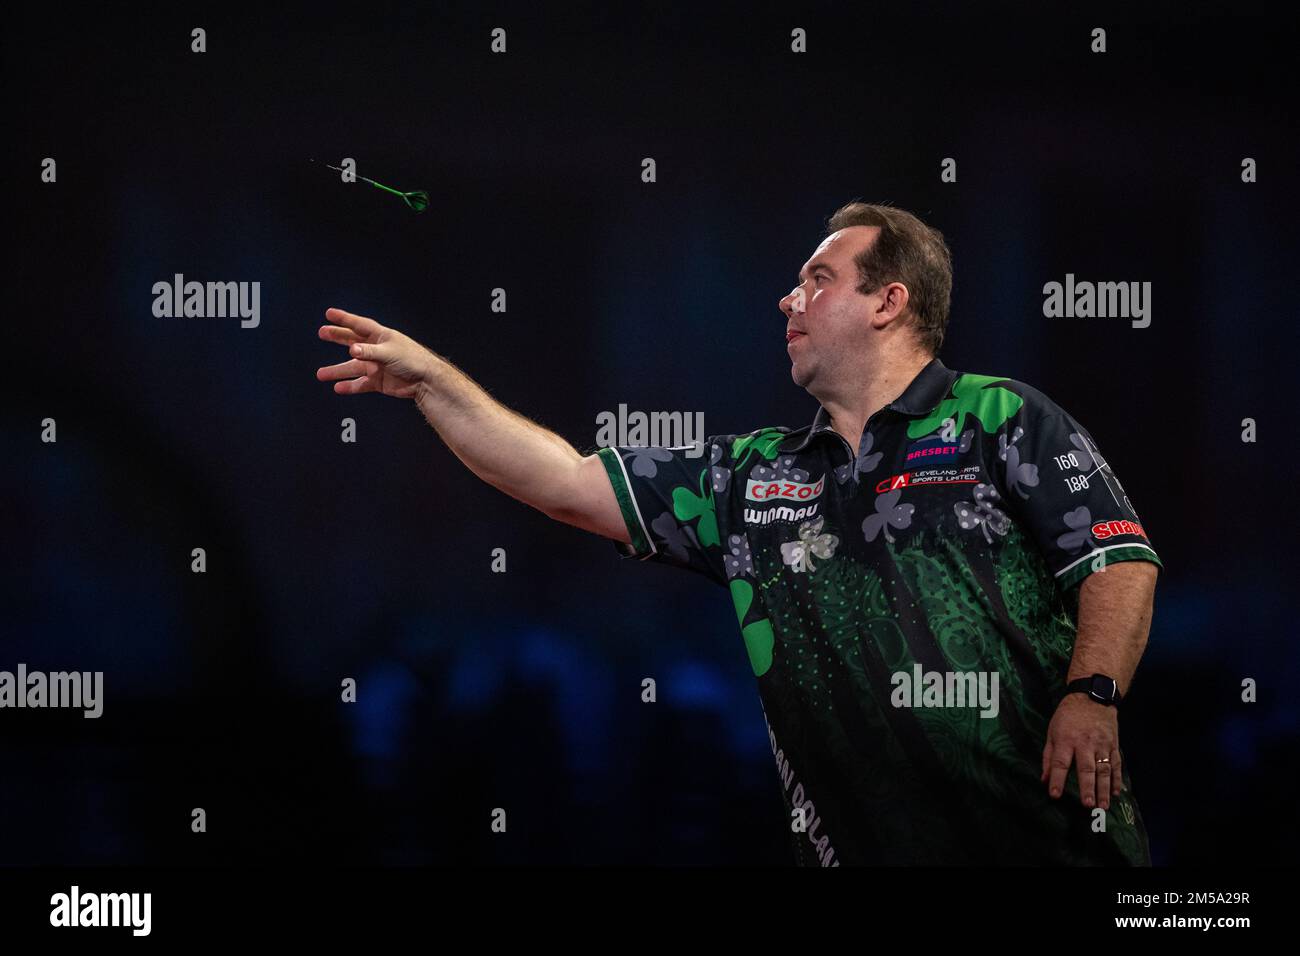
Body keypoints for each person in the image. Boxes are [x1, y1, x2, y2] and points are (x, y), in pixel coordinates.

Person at [315, 201, 1161, 865]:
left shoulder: (1001, 416)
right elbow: (565, 481)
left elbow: (1119, 558)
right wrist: (431, 385)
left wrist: (1092, 696)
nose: (788, 299)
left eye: (819, 278)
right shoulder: (751, 477)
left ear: (888, 301)